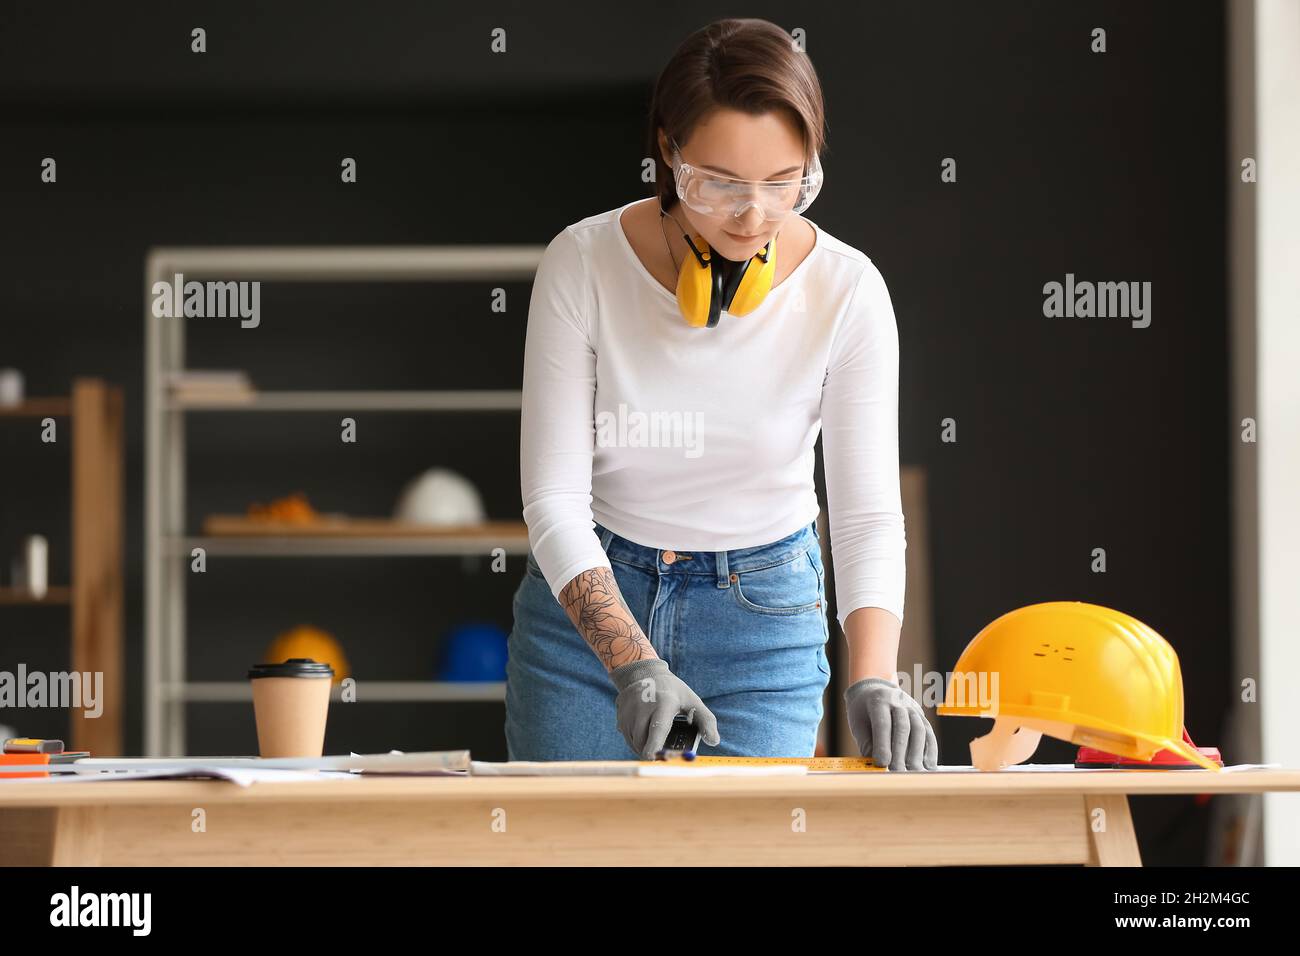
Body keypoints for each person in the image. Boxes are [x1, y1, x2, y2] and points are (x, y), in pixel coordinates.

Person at [506, 17, 937, 770]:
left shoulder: (848, 290)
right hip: (590, 608)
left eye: (786, 184)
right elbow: (552, 500)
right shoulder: (582, 264)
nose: (754, 216)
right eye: (720, 184)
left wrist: (873, 678)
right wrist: (631, 662)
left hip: (764, 622)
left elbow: (867, 516)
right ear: (668, 153)